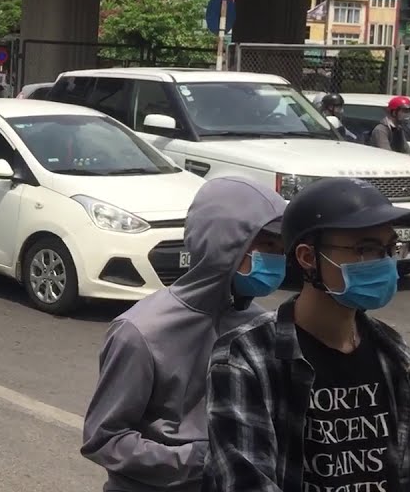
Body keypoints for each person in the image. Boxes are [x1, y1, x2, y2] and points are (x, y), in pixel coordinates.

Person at [203, 177, 410, 492]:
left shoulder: (391, 352)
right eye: (366, 249)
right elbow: (247, 482)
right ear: (306, 257)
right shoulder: (246, 359)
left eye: (389, 249)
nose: (384, 263)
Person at [80, 177, 288, 492]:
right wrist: (200, 458)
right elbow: (104, 439)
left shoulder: (260, 326)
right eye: (267, 245)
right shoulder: (141, 331)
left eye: (282, 249)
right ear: (225, 242)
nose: (276, 259)